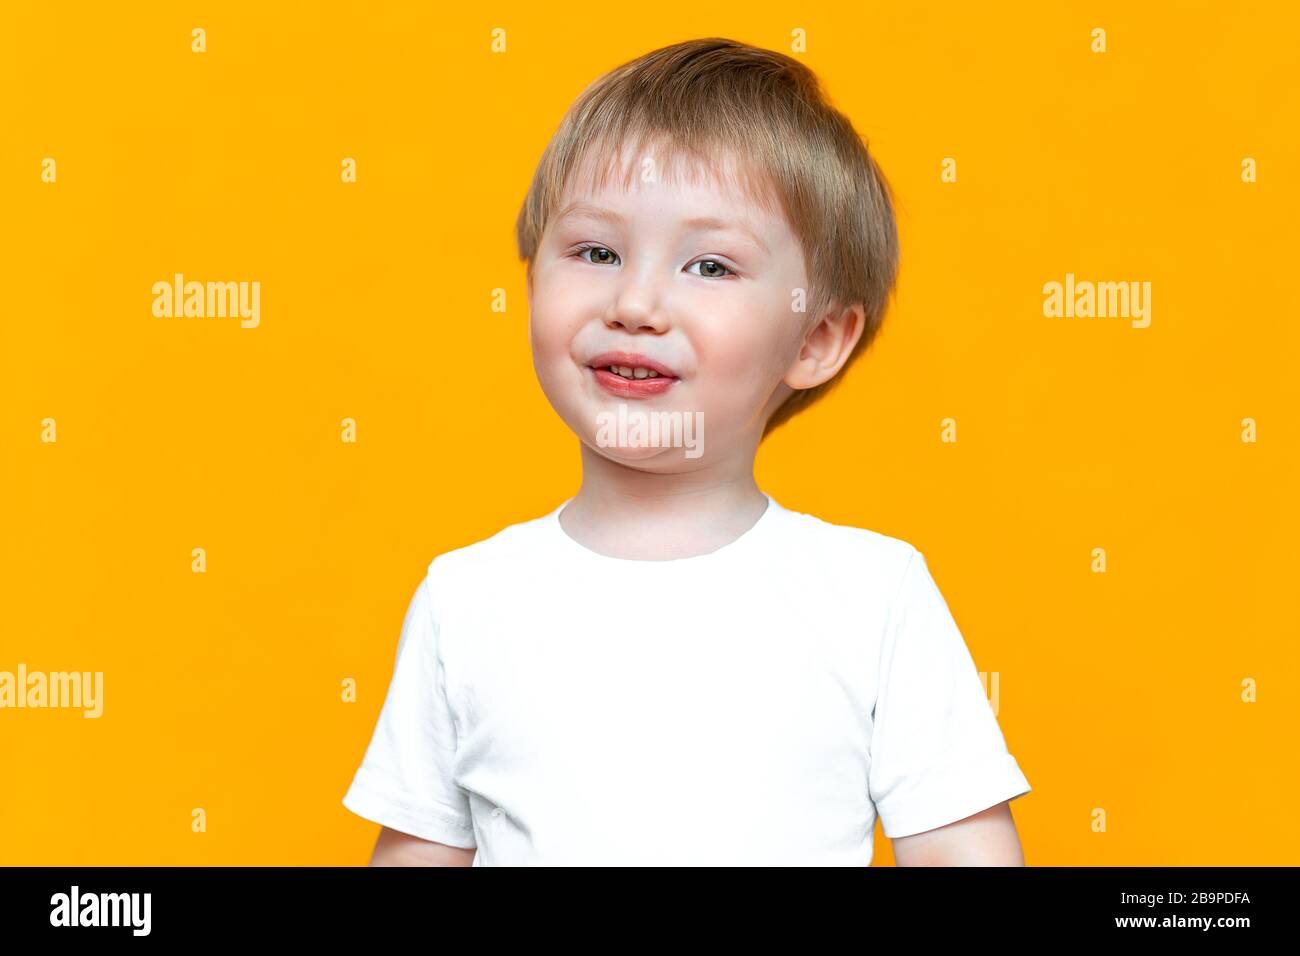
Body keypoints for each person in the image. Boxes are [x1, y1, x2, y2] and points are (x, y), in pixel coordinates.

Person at [342, 36, 1030, 865]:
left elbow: (966, 852)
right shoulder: (468, 599)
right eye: (597, 252)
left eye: (709, 265)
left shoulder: (873, 596)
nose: (634, 302)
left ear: (815, 338)